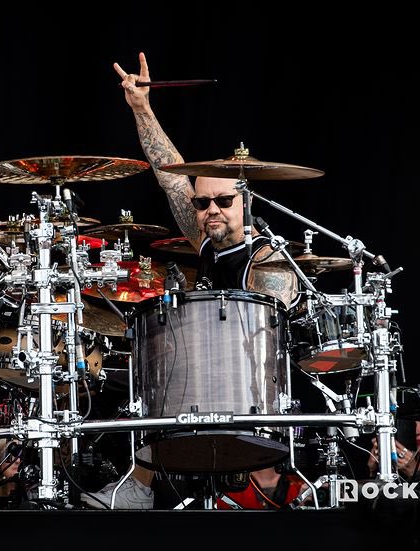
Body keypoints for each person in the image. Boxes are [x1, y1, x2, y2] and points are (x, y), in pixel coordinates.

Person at [80, 52, 297, 509]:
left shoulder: (266, 259)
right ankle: (134, 485)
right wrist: (141, 107)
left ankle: (146, 487)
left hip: (246, 390)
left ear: (246, 203)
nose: (210, 210)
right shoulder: (206, 240)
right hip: (202, 379)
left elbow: (267, 350)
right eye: (202, 204)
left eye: (223, 201)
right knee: (123, 373)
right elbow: (171, 177)